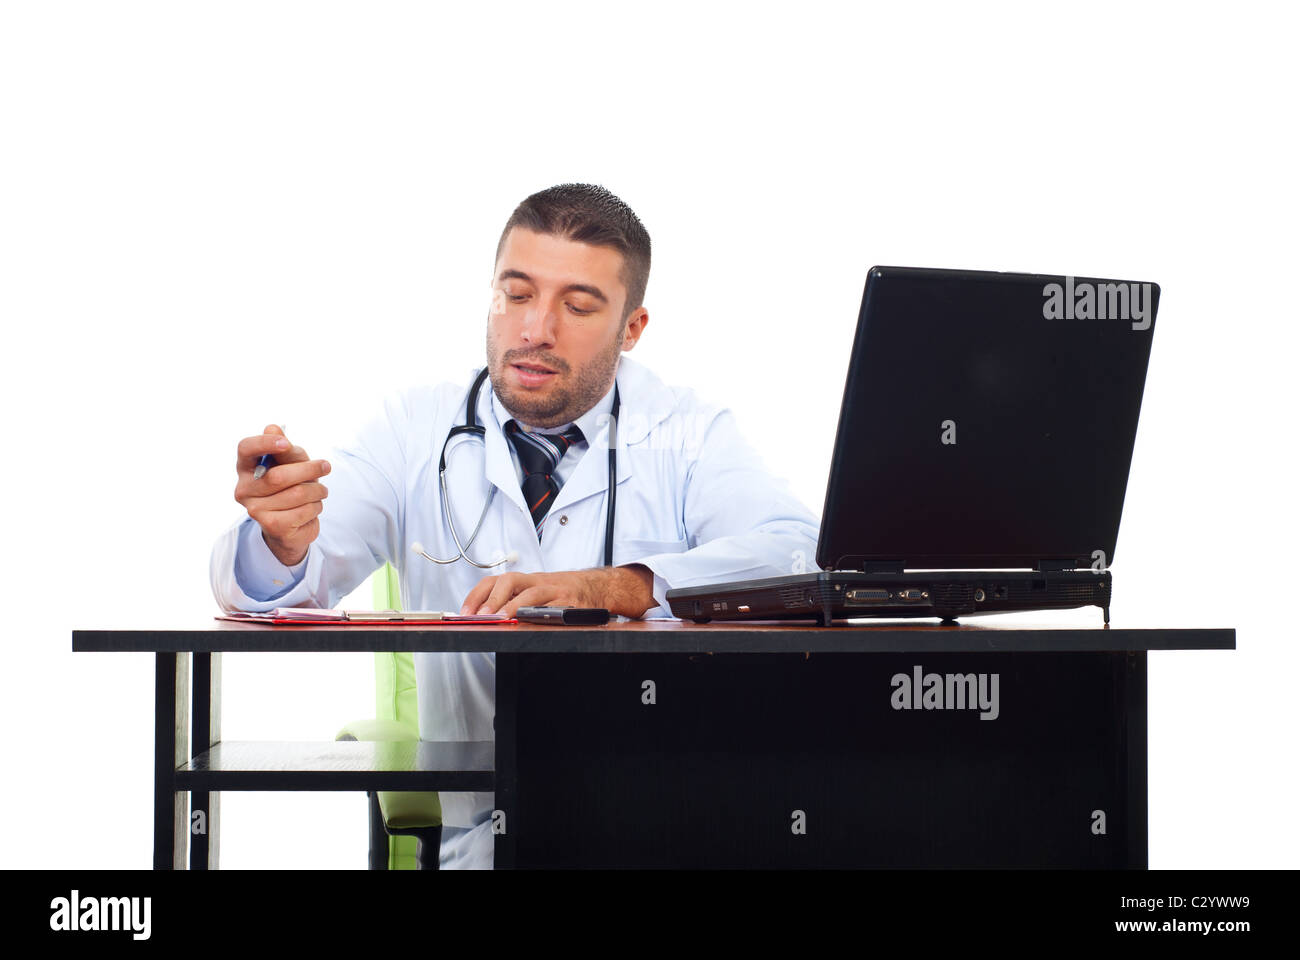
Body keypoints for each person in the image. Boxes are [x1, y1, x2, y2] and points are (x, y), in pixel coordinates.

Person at [209, 183, 820, 868]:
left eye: (578, 305)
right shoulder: (414, 430)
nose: (535, 330)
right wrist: (281, 540)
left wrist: (622, 586)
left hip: (667, 835)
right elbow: (282, 584)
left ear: (632, 328)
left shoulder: (687, 432)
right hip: (487, 844)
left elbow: (799, 552)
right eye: (517, 293)